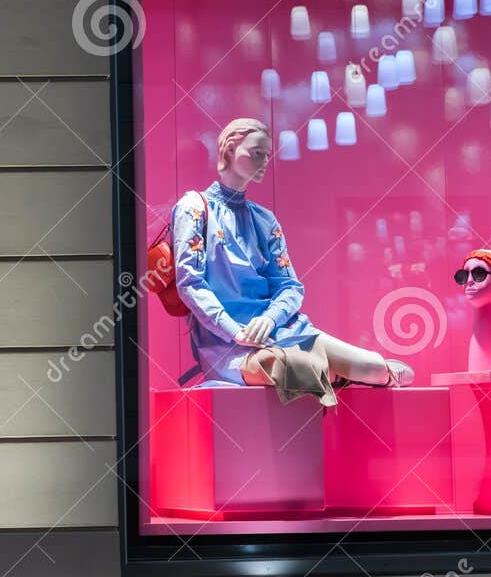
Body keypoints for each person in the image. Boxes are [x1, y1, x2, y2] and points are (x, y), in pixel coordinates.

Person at [171, 117, 414, 406]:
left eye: (267, 155)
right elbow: (190, 282)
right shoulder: (194, 207)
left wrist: (269, 318)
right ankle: (330, 372)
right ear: (230, 148)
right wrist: (234, 330)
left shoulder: (263, 219)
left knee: (372, 368)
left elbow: (289, 286)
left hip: (284, 329)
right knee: (298, 368)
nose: (263, 162)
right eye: (256, 153)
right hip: (225, 343)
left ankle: (356, 371)